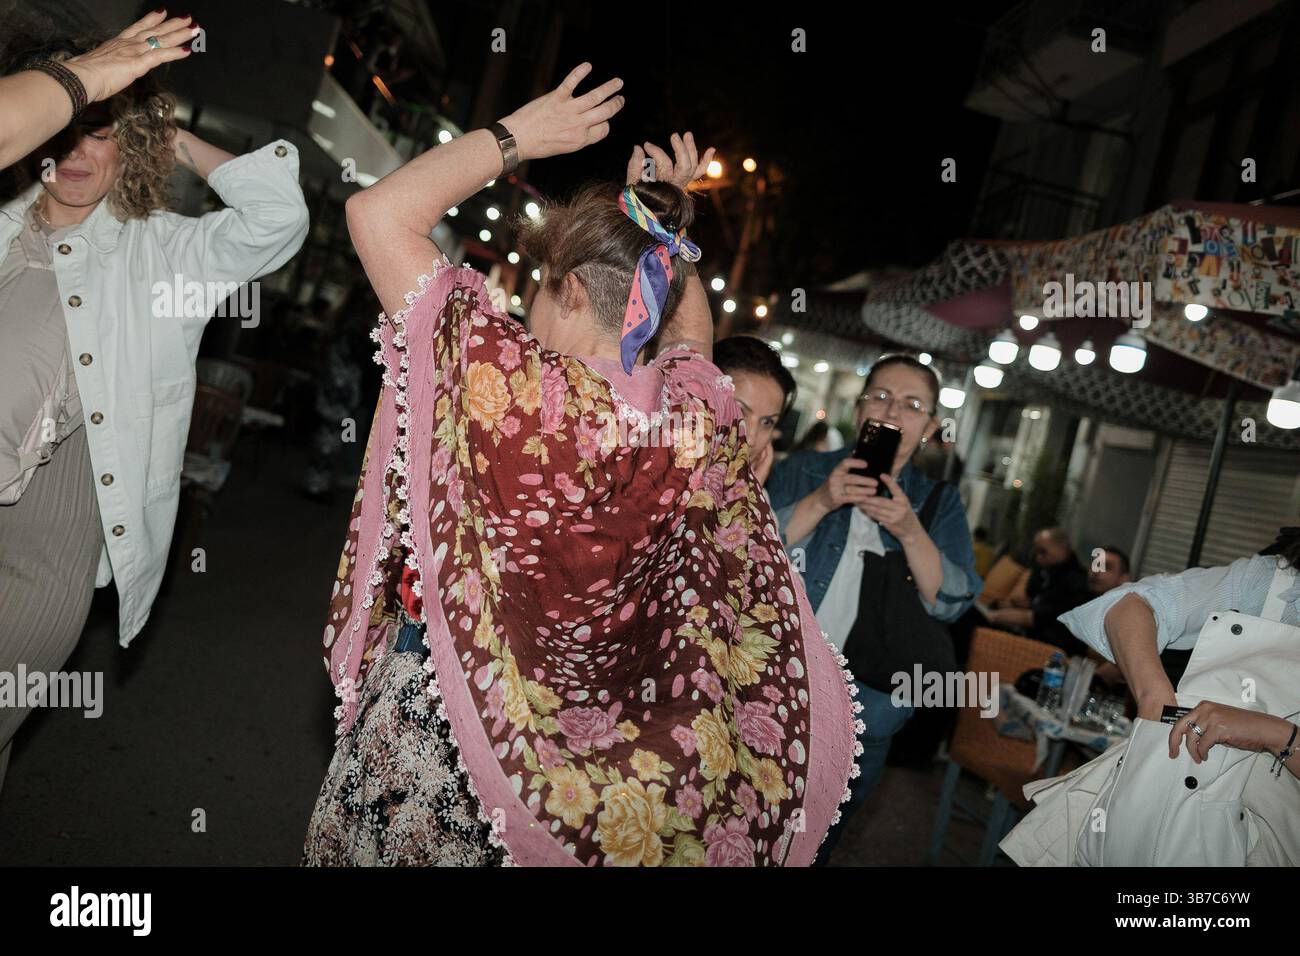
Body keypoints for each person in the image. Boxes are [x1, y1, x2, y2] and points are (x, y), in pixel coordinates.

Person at [303, 69, 856, 867]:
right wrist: (669, 222)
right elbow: (693, 340)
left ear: (563, 291)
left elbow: (376, 212)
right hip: (578, 779)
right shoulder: (690, 414)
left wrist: (518, 136)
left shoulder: (508, 381)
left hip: (443, 714)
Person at [0, 13, 310, 792]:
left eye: (98, 132)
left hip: (45, 557)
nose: (73, 153)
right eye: (61, 131)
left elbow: (278, 220)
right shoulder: (2, 230)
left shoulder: (164, 250)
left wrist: (168, 133)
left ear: (128, 143)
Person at [766, 353, 982, 862]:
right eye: (881, 397)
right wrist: (822, 500)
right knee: (743, 826)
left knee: (815, 845)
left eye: (912, 405)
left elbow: (952, 601)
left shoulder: (938, 503)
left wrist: (908, 529)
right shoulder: (803, 470)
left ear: (930, 425)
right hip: (780, 686)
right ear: (860, 406)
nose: (893, 412)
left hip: (870, 708)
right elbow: (747, 558)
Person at [1002, 527, 1300, 865]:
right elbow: (1129, 604)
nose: (1096, 572)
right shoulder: (1272, 582)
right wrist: (1156, 701)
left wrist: (1277, 734)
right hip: (1167, 803)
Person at [986, 527, 1092, 655]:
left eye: (1043, 551)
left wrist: (995, 616)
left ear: (1063, 547)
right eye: (1036, 551)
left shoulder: (1075, 580)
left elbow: (1038, 617)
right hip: (1035, 631)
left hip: (1051, 646)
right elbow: (1032, 596)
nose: (1038, 557)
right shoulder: (1047, 569)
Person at [710, 335, 795, 485]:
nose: (750, 439)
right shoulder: (660, 477)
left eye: (767, 422)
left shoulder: (757, 496)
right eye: (738, 411)